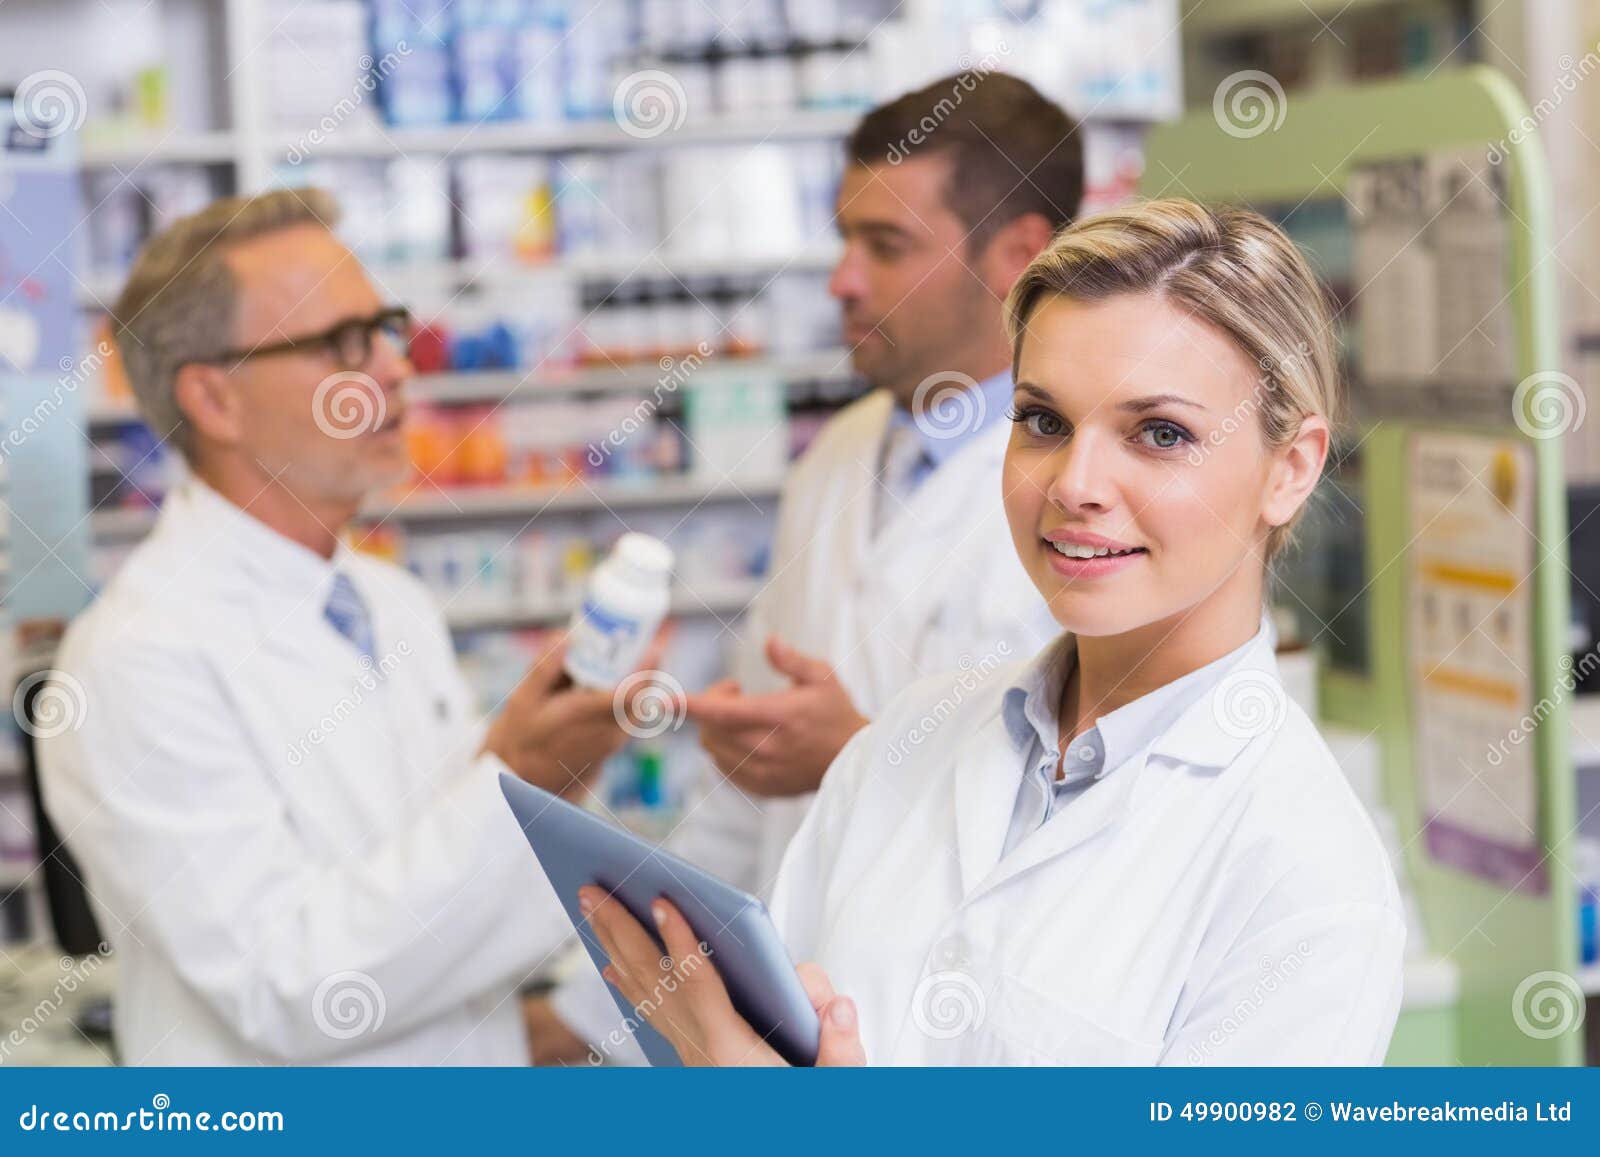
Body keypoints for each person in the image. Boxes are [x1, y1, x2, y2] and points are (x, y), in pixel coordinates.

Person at [580, 199, 1408, 1065]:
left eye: (1160, 434)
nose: (1075, 483)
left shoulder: (1310, 882)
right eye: (1044, 421)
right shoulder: (905, 738)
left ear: (1292, 468)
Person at [527, 70, 1083, 1062]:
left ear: (1016, 257)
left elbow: (1100, 837)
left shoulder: (1090, 495)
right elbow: (746, 796)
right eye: (843, 236)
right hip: (789, 1025)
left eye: (885, 245)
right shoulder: (835, 456)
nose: (841, 279)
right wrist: (591, 1011)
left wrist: (863, 751)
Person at [39, 189, 646, 1065]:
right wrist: (522, 777)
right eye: (343, 344)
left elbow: (441, 887)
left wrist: (550, 764)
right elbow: (291, 988)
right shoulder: (134, 660)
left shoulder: (386, 601)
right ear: (215, 399)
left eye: (387, 327)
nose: (395, 370)